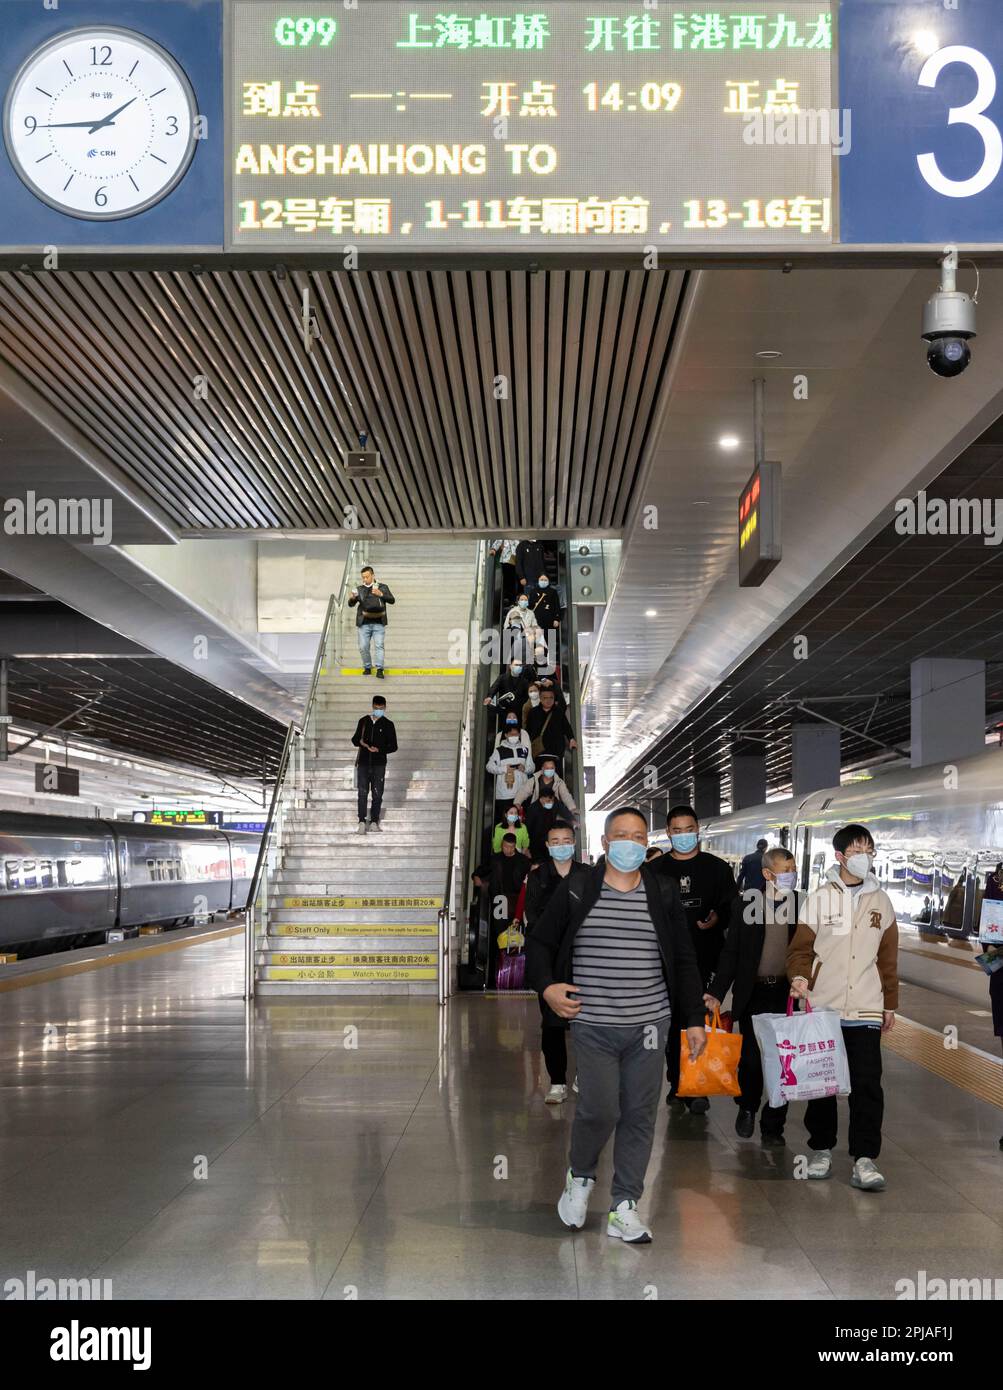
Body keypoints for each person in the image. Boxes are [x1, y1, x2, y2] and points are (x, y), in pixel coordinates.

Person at [527, 806, 706, 1243]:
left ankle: (625, 1203)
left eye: (639, 835)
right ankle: (581, 1176)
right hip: (593, 1022)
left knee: (640, 1114)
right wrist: (548, 987)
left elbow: (683, 958)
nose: (631, 842)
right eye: (621, 834)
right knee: (600, 1108)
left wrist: (695, 1019)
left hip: (650, 1025)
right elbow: (540, 942)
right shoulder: (579, 887)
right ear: (606, 843)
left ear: (647, 844)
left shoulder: (662, 892)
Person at [787, 823, 899, 1191]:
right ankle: (821, 1149)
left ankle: (865, 1159)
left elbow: (888, 959)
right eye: (857, 850)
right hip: (824, 1005)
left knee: (868, 1084)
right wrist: (801, 978)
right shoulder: (819, 898)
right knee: (822, 1083)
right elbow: (801, 949)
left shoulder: (881, 901)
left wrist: (890, 1004)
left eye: (869, 848)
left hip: (866, 1006)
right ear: (840, 856)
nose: (865, 855)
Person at [706, 847, 800, 1146]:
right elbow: (731, 952)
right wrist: (717, 992)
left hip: (785, 992)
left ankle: (774, 1125)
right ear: (767, 874)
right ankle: (747, 1107)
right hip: (754, 991)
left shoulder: (801, 904)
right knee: (750, 1059)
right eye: (784, 870)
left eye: (793, 869)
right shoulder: (747, 904)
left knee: (783, 1061)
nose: (790, 875)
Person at [650, 804, 739, 1113]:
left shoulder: (717, 868)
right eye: (677, 831)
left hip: (704, 959)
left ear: (697, 829)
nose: (684, 836)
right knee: (674, 1025)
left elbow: (731, 908)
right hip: (665, 962)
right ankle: (677, 1082)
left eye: (689, 830)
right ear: (668, 833)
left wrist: (718, 917)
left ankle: (697, 1085)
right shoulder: (655, 871)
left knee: (698, 1022)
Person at [523, 821, 588, 1104]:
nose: (562, 845)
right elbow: (533, 918)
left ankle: (584, 1077)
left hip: (583, 958)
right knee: (552, 1023)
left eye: (566, 840)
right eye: (556, 841)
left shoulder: (588, 875)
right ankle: (558, 1081)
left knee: (587, 1022)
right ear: (548, 846)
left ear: (574, 842)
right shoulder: (538, 877)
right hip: (550, 959)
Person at [474, 833, 530, 984]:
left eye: (510, 847)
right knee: (500, 935)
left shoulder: (523, 861)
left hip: (517, 899)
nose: (507, 849)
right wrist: (476, 877)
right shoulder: (495, 859)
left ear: (515, 846)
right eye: (505, 846)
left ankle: (517, 972)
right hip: (500, 900)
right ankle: (501, 969)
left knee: (517, 935)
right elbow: (480, 871)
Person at [350, 694, 397, 832]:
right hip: (364, 763)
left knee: (377, 793)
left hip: (379, 764)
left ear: (385, 707)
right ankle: (362, 821)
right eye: (376, 708)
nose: (379, 710)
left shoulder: (388, 725)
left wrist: (380, 749)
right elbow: (354, 740)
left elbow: (394, 746)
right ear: (372, 707)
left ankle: (375, 820)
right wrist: (364, 744)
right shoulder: (363, 721)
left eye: (381, 708)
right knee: (362, 793)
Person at [347, 565, 395, 678]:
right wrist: (352, 598)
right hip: (364, 623)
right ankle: (367, 666)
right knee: (363, 647)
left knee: (379, 646)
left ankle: (379, 669)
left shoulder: (383, 587)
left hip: (379, 622)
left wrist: (381, 594)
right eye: (363, 577)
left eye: (367, 577)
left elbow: (392, 600)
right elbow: (351, 605)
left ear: (373, 575)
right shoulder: (359, 589)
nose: (365, 579)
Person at [486, 721, 534, 824]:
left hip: (522, 794)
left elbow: (532, 767)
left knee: (521, 823)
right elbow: (489, 766)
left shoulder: (525, 750)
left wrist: (524, 769)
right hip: (505, 795)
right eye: (512, 734)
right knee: (505, 823)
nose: (514, 736)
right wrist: (503, 769)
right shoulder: (499, 750)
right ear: (506, 735)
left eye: (517, 734)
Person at [525, 687, 577, 774]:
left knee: (556, 777)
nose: (548, 700)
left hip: (556, 752)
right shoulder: (533, 712)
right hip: (539, 752)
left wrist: (571, 739)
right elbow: (528, 730)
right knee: (539, 777)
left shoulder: (559, 712)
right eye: (545, 698)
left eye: (551, 698)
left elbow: (566, 727)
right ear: (540, 699)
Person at [513, 756, 578, 817]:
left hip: (553, 814)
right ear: (542, 769)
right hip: (537, 813)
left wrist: (572, 808)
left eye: (552, 768)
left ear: (555, 769)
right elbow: (524, 791)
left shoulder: (559, 782)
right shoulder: (534, 780)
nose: (550, 770)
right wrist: (517, 802)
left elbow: (565, 795)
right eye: (547, 768)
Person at [484, 659, 531, 727]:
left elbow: (526, 697)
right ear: (510, 666)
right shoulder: (503, 678)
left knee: (516, 730)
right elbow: (494, 687)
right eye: (516, 665)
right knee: (503, 730)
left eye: (520, 665)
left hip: (517, 711)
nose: (519, 667)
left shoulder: (525, 682)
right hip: (504, 710)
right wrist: (490, 697)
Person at [523, 789, 565, 864]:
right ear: (541, 799)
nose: (551, 803)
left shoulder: (552, 806)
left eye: (552, 800)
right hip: (535, 844)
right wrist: (527, 847)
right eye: (548, 801)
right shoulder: (533, 809)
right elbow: (527, 828)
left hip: (548, 842)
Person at [503, 594, 541, 667]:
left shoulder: (531, 613)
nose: (524, 601)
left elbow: (535, 626)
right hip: (514, 639)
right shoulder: (513, 611)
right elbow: (506, 626)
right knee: (513, 662)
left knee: (526, 663)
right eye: (522, 600)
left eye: (526, 600)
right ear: (518, 601)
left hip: (528, 640)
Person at [489, 537, 520, 610]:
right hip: (507, 559)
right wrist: (493, 549)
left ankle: (515, 599)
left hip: (518, 559)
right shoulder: (504, 533)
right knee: (508, 580)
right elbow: (499, 540)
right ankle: (510, 600)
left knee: (516, 580)